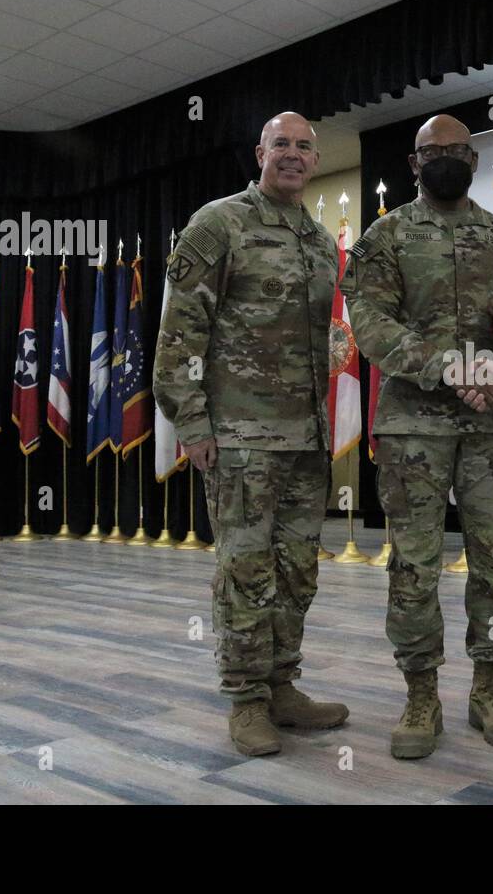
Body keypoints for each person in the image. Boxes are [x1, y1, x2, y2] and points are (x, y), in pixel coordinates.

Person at [341, 114, 493, 760]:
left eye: (456, 151)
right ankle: (420, 692)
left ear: (474, 160)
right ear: (413, 162)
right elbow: (368, 321)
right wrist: (450, 367)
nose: (445, 159)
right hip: (412, 430)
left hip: (491, 427)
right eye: (433, 152)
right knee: (414, 566)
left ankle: (490, 688)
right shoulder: (386, 236)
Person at [153, 111, 349, 757]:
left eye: (303, 147)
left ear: (314, 160)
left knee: (296, 571)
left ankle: (282, 686)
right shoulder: (220, 223)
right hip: (239, 439)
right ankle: (244, 699)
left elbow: (327, 335)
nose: (292, 155)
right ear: (259, 150)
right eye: (281, 144)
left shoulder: (320, 242)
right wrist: (191, 420)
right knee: (245, 570)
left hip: (307, 441)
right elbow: (180, 331)